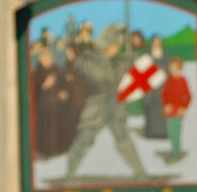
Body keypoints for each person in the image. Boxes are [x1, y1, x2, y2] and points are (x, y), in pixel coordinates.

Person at [62, 24, 146, 181]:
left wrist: (129, 59)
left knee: (123, 139)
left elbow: (125, 76)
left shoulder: (119, 60)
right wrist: (125, 63)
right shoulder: (88, 59)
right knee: (84, 140)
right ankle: (69, 174)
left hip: (115, 105)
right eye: (114, 45)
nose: (116, 49)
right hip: (97, 105)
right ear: (107, 43)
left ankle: (141, 173)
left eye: (118, 46)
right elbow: (106, 78)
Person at [160, 57, 192, 162]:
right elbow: (164, 95)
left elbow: (188, 96)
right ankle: (174, 150)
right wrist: (166, 105)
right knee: (170, 131)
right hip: (170, 111)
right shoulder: (169, 80)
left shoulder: (182, 80)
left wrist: (183, 107)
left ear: (179, 68)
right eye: (171, 67)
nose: (173, 69)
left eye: (175, 67)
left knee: (176, 131)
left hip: (178, 111)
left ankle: (176, 153)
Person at [140, 34, 168, 140]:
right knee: (151, 110)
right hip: (150, 87)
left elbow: (167, 67)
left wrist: (163, 71)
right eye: (155, 41)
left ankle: (162, 133)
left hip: (162, 87)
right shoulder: (147, 53)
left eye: (158, 41)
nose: (157, 43)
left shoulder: (164, 53)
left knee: (161, 109)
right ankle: (150, 133)